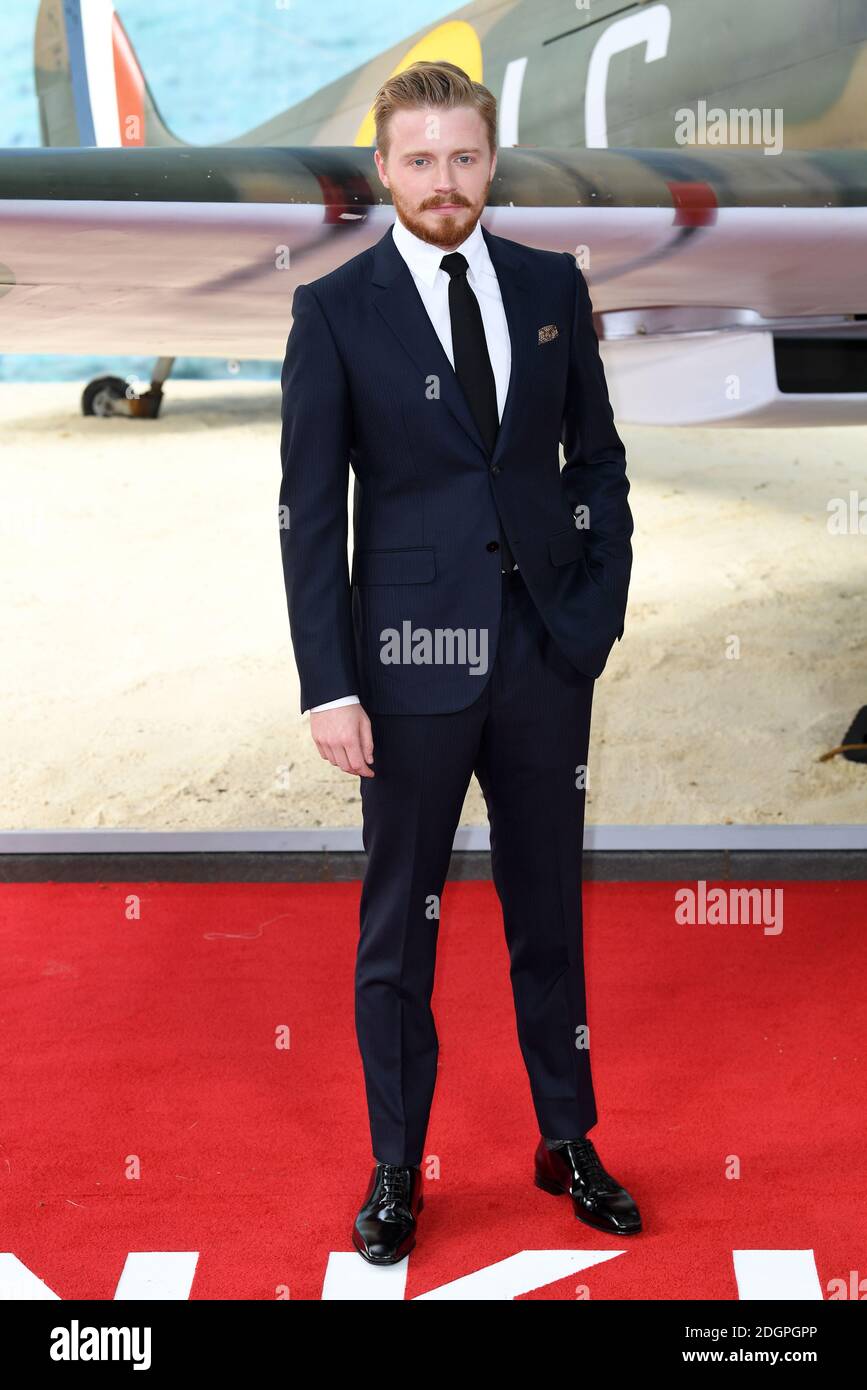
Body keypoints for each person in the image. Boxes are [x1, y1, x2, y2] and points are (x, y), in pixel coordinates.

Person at [278, 60, 641, 1265]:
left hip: (545, 658)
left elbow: (598, 466)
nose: (446, 181)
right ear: (384, 169)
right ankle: (397, 1167)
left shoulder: (549, 284)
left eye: (465, 157)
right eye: (420, 160)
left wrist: (591, 622)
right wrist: (330, 682)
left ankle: (567, 1138)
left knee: (552, 914)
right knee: (400, 932)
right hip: (404, 666)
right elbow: (307, 513)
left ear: (493, 160)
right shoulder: (335, 310)